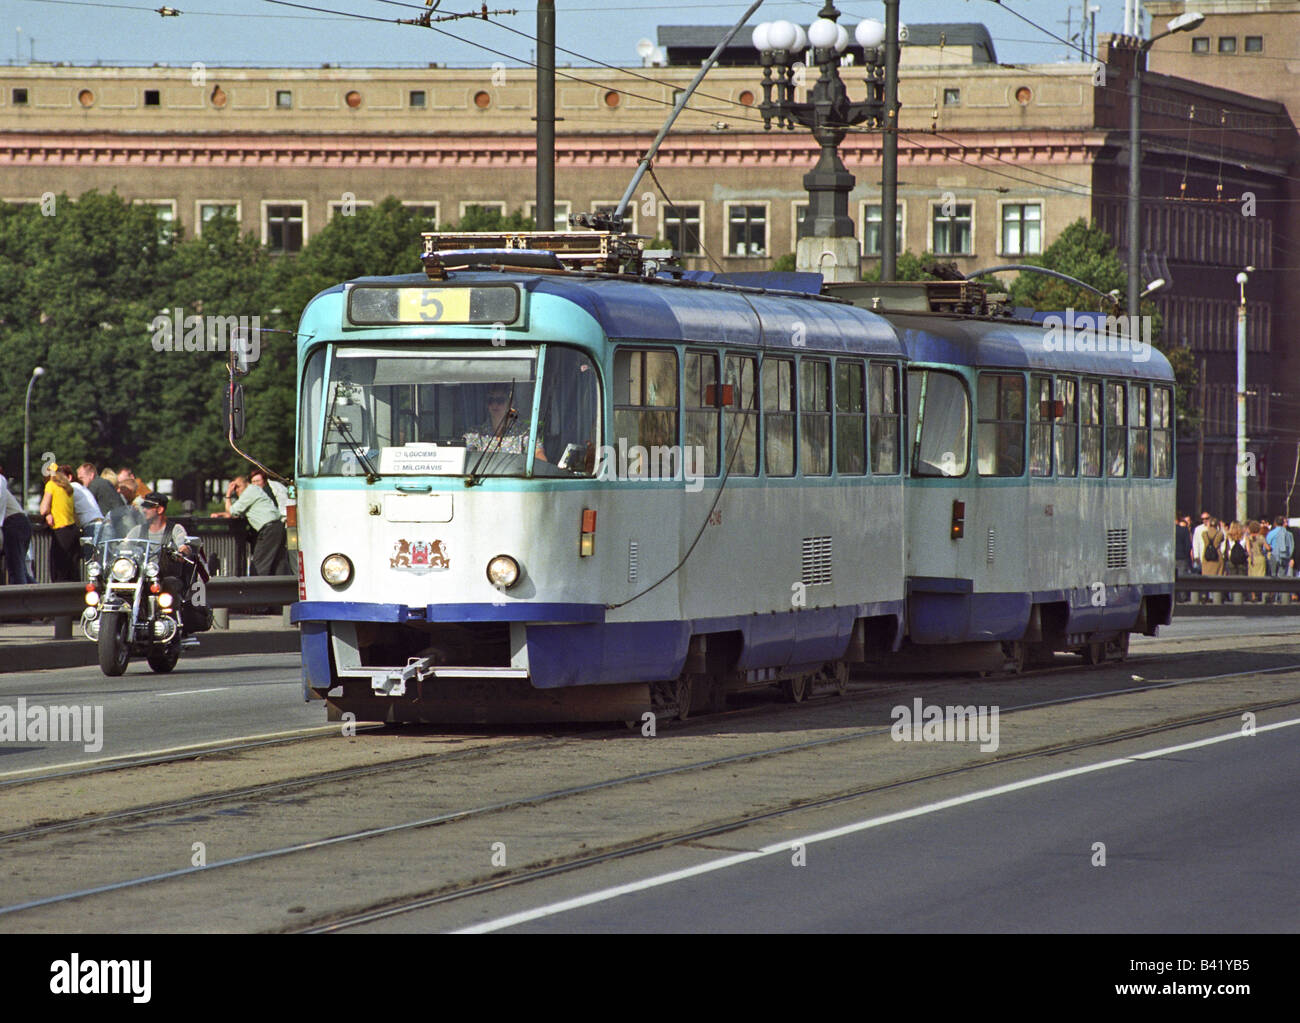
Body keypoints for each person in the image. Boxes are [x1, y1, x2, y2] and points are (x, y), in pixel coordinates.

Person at [216, 474, 289, 576]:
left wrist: (228, 494)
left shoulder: (249, 492)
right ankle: (281, 589)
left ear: (246, 484)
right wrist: (221, 514)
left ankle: (257, 590)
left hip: (269, 530)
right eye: (234, 487)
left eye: (237, 486)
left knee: (258, 565)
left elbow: (232, 511)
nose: (236, 490)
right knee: (278, 564)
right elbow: (238, 513)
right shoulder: (254, 490)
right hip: (277, 527)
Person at [463, 384, 547, 461]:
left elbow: (538, 455)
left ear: (511, 403)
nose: (495, 405)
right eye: (491, 400)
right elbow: (465, 458)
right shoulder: (475, 433)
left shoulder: (525, 433)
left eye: (500, 401)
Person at [39, 463, 80, 582]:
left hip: (61, 531)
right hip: (72, 529)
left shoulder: (51, 485)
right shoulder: (67, 487)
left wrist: (47, 514)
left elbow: (43, 509)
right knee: (72, 569)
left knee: (58, 569)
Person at [0, 463, 35, 584]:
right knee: (20, 570)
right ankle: (39, 596)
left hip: (13, 524)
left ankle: (21, 601)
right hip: (20, 522)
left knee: (16, 570)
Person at [1266, 515, 1295, 604]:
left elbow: (1267, 543)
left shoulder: (1271, 533)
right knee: (1282, 577)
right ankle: (1279, 597)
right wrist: (1289, 556)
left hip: (1274, 556)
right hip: (1284, 557)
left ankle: (1273, 596)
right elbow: (1292, 547)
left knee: (1273, 576)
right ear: (1283, 523)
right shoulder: (1289, 534)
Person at [1174, 512, 1193, 602]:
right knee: (1181, 577)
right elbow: (1188, 545)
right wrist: (1185, 555)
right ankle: (1182, 596)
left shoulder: (1166, 531)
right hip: (1181, 557)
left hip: (1169, 558)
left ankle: (1173, 596)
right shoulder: (1184, 530)